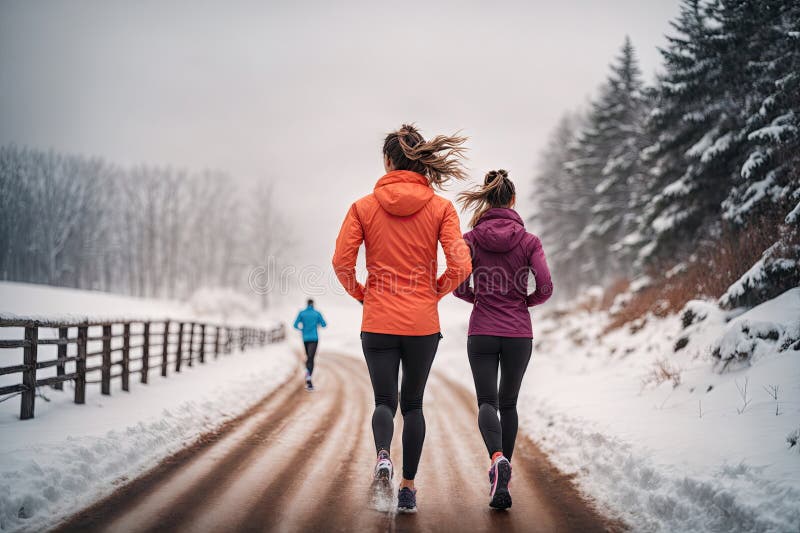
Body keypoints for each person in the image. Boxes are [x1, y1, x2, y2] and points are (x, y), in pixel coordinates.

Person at [332, 124, 472, 513]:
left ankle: (382, 456)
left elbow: (341, 262)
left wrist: (364, 293)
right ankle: (408, 488)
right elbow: (461, 264)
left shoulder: (363, 206)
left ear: (387, 161)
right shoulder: (441, 208)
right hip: (422, 324)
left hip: (377, 320)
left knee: (383, 400)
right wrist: (436, 290)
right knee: (413, 406)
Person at [454, 169, 553, 510]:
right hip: (517, 333)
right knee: (508, 404)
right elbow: (545, 286)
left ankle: (497, 459)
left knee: (487, 403)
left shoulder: (470, 239)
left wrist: (477, 298)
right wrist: (523, 303)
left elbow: (458, 285)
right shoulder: (529, 241)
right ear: (512, 200)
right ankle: (502, 473)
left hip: (481, 329)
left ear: (485, 199)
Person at [293, 298, 327, 391]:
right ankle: (309, 380)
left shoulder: (302, 313)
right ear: (313, 304)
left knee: (309, 357)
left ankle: (308, 373)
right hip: (314, 338)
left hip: (305, 338)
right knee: (311, 358)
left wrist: (303, 330)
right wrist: (316, 324)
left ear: (307, 304)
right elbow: (324, 324)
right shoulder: (317, 313)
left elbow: (295, 325)